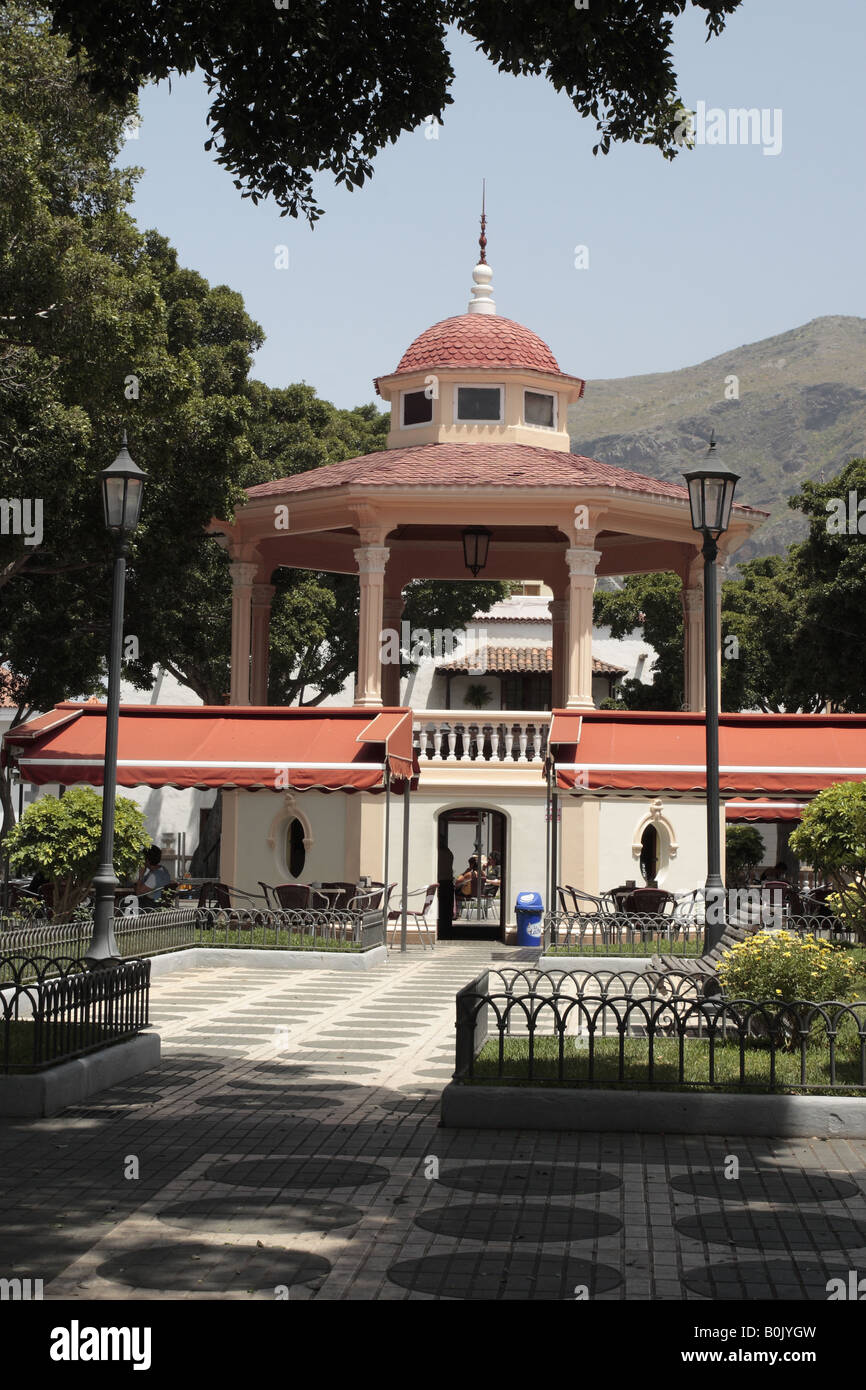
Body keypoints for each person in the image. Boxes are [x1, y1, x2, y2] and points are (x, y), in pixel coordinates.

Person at [135, 846, 172, 910]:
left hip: (151, 907)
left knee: (120, 901)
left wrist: (140, 875)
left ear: (147, 860)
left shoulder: (154, 876)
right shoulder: (164, 870)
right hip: (160, 904)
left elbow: (138, 893)